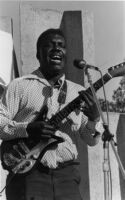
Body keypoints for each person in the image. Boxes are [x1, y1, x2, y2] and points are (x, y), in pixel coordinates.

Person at [0, 28, 103, 200]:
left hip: (68, 176)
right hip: (29, 175)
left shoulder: (79, 92)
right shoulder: (19, 86)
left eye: (61, 46)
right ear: (38, 54)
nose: (56, 49)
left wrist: (94, 119)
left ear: (66, 55)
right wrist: (27, 129)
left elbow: (91, 140)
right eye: (50, 45)